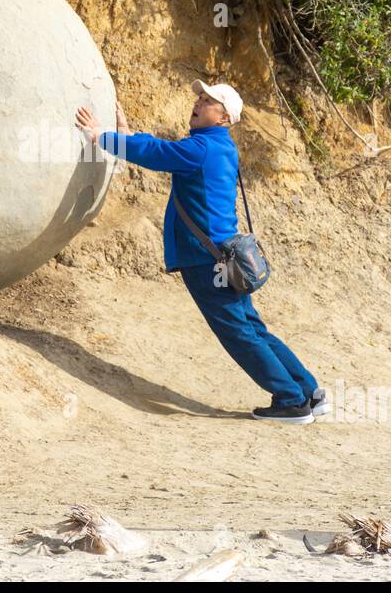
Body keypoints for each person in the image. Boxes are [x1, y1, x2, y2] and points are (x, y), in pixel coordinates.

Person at [75, 81, 328, 423]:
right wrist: (127, 134)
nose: (198, 101)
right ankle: (309, 391)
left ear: (224, 117)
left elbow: (159, 154)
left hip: (206, 259)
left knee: (238, 334)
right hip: (224, 255)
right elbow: (165, 149)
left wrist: (100, 136)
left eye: (208, 100)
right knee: (252, 328)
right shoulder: (216, 147)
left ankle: (291, 401)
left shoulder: (202, 149)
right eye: (200, 96)